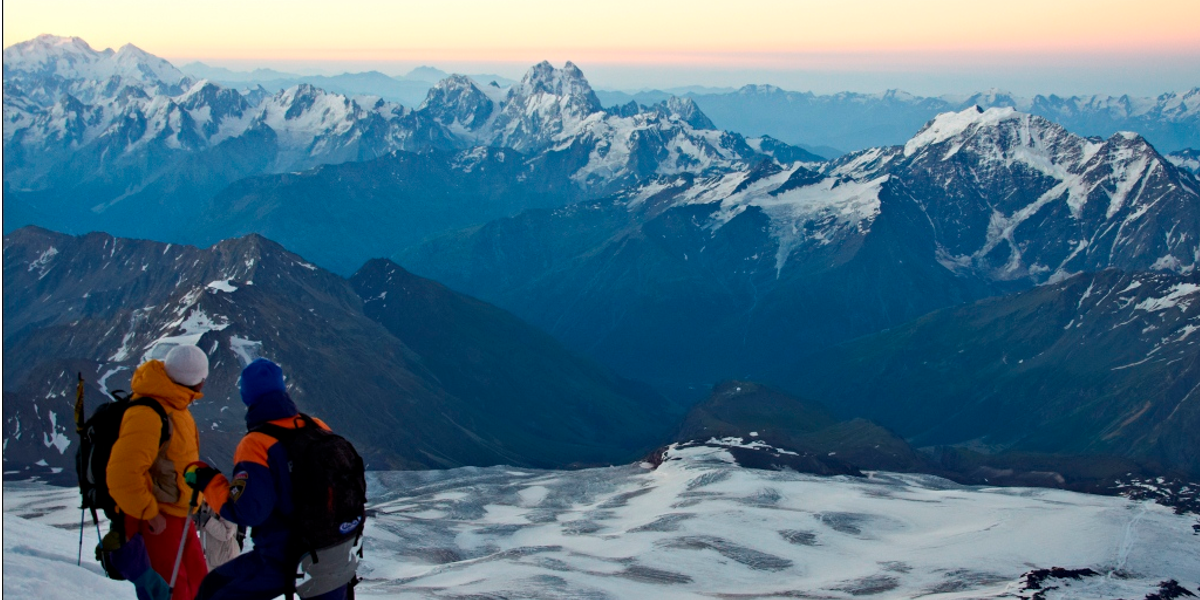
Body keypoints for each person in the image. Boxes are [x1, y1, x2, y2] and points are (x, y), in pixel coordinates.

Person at [187, 358, 350, 600]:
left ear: (247, 396)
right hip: (335, 550)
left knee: (215, 589)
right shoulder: (316, 427)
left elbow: (249, 511)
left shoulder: (256, 444)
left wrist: (207, 481)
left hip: (285, 556)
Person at [107, 344, 210, 600]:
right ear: (197, 380)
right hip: (158, 520)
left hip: (178, 516)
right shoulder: (149, 413)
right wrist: (149, 513)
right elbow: (123, 473)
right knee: (171, 592)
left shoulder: (173, 404)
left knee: (200, 585)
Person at [195, 502, 241, 569]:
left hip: (226, 557)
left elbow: (226, 533)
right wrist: (196, 520)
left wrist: (207, 521)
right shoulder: (203, 502)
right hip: (210, 556)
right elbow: (204, 527)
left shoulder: (224, 502)